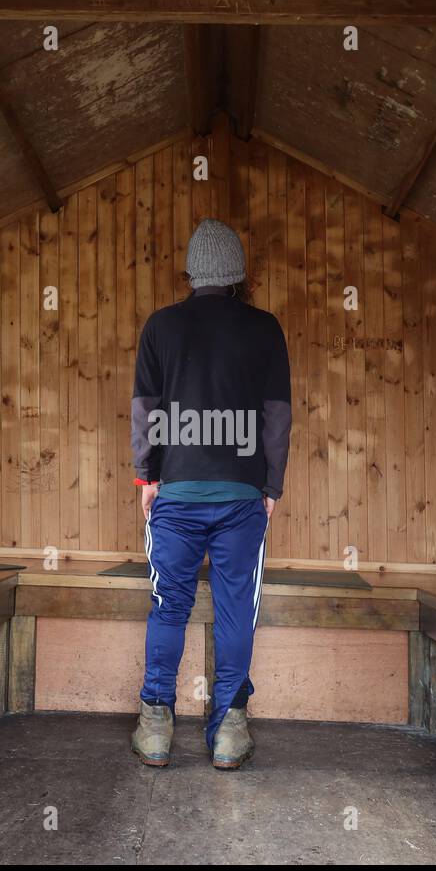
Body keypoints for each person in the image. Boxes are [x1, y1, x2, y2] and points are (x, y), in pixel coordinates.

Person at [129, 218, 292, 770]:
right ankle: (228, 729)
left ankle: (155, 724)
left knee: (168, 606)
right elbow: (276, 417)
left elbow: (146, 411)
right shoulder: (265, 328)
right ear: (239, 275)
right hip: (241, 496)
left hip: (176, 492)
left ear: (192, 271)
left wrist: (146, 477)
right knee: (234, 610)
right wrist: (270, 485)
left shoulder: (161, 327)